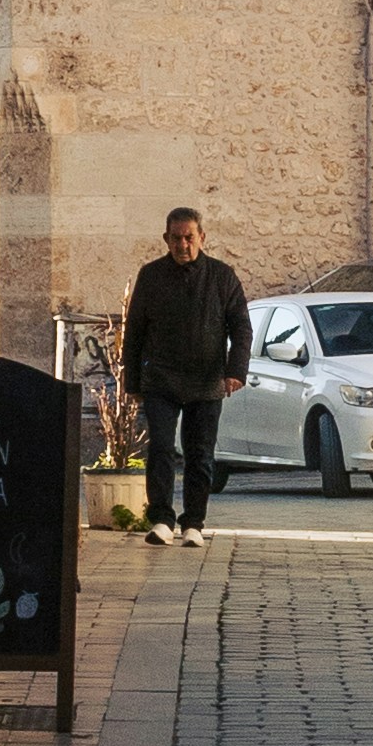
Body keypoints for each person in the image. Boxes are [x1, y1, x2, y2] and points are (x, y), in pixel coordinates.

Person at [122, 205, 248, 549]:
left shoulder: (222, 276)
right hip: (161, 380)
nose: (183, 245)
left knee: (200, 454)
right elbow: (134, 332)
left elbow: (241, 326)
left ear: (201, 237)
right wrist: (132, 382)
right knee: (161, 448)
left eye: (189, 238)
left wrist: (235, 371)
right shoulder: (151, 275)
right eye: (176, 239)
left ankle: (194, 522)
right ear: (166, 239)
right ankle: (162, 519)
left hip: (207, 381)